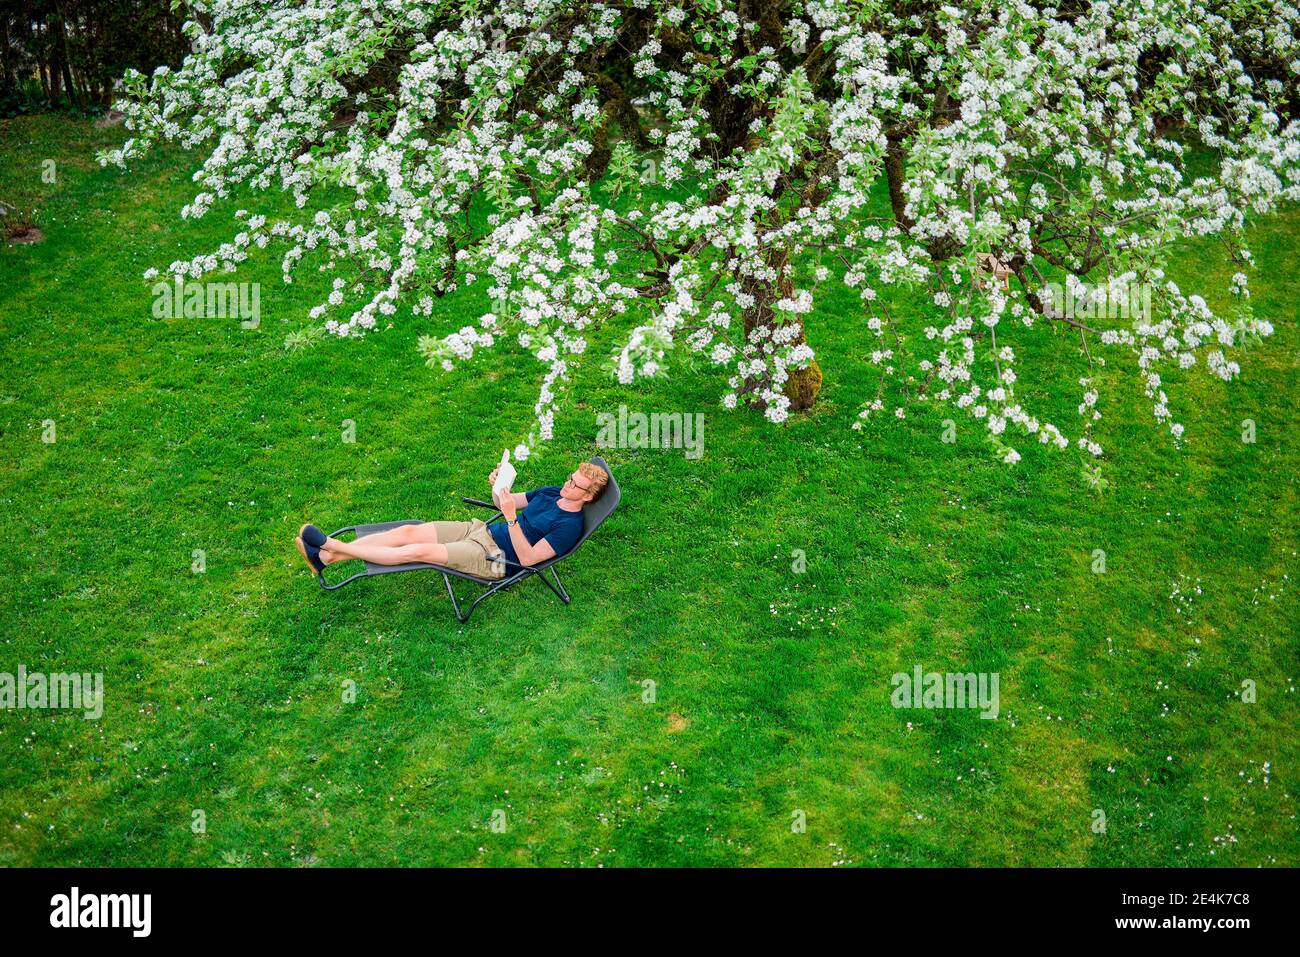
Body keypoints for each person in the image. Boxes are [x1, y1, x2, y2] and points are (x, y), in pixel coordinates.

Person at [294, 460, 610, 580]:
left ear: (587, 497)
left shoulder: (569, 527)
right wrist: (500, 487)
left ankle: (331, 548)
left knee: (416, 552)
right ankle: (327, 557)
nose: (567, 485)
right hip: (482, 531)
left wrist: (513, 521)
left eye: (575, 486)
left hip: (498, 559)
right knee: (409, 531)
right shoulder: (553, 492)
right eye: (570, 478)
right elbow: (508, 503)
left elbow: (527, 559)